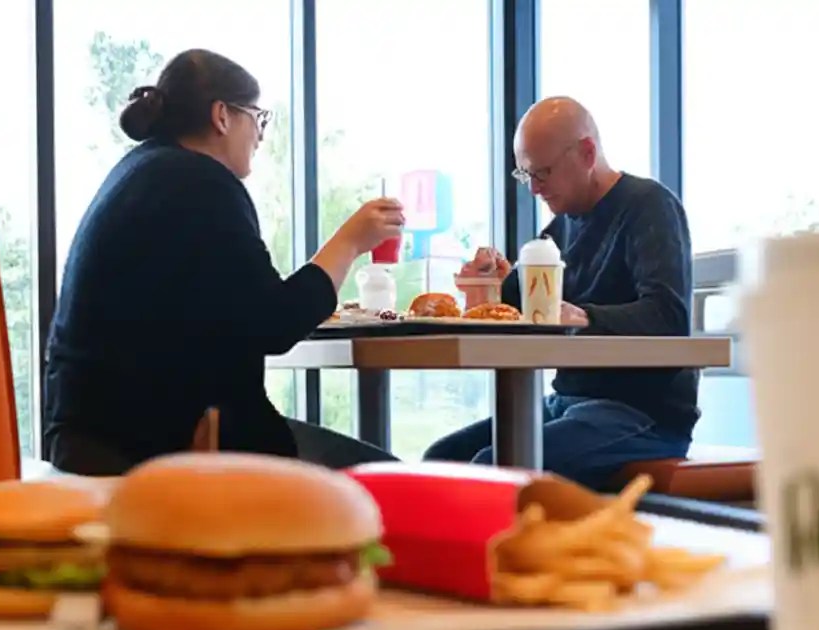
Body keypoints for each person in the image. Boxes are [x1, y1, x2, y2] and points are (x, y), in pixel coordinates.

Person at [43, 49, 400, 475]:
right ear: (222, 116)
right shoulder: (200, 183)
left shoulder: (142, 172)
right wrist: (350, 241)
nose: (261, 136)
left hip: (93, 437)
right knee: (385, 484)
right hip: (157, 449)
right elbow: (274, 322)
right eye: (258, 117)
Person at [424, 96, 699, 489]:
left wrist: (584, 316)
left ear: (587, 152)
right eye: (526, 176)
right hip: (567, 404)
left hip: (643, 415)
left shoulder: (649, 206)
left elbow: (668, 318)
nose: (534, 189)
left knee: (491, 469)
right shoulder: (559, 230)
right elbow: (517, 311)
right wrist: (488, 288)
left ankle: (510, 551)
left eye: (543, 173)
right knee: (441, 459)